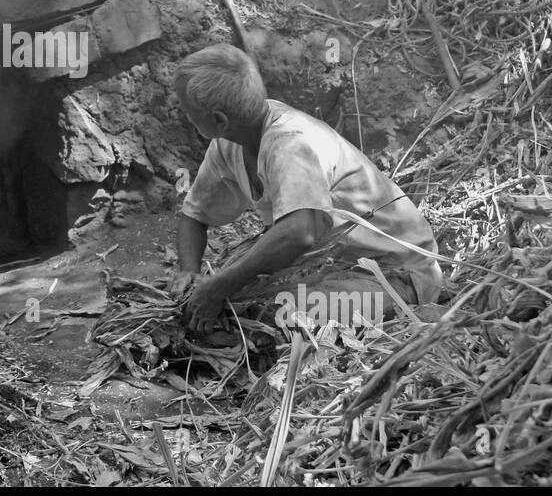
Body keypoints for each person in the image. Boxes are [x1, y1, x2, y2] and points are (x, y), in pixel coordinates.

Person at [169, 44, 443, 332]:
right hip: (339, 269)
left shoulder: (292, 145)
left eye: (190, 114)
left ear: (218, 121)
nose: (186, 118)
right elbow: (194, 214)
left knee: (279, 315)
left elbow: (299, 232)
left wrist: (219, 286)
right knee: (244, 305)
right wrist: (190, 270)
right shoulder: (228, 144)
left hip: (400, 277)